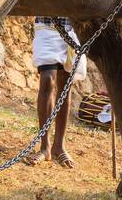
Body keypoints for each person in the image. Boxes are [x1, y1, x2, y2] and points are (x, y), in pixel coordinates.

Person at [28, 16, 86, 167]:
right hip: (46, 26)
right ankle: (45, 147)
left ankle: (59, 146)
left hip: (71, 29)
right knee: (47, 80)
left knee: (65, 86)